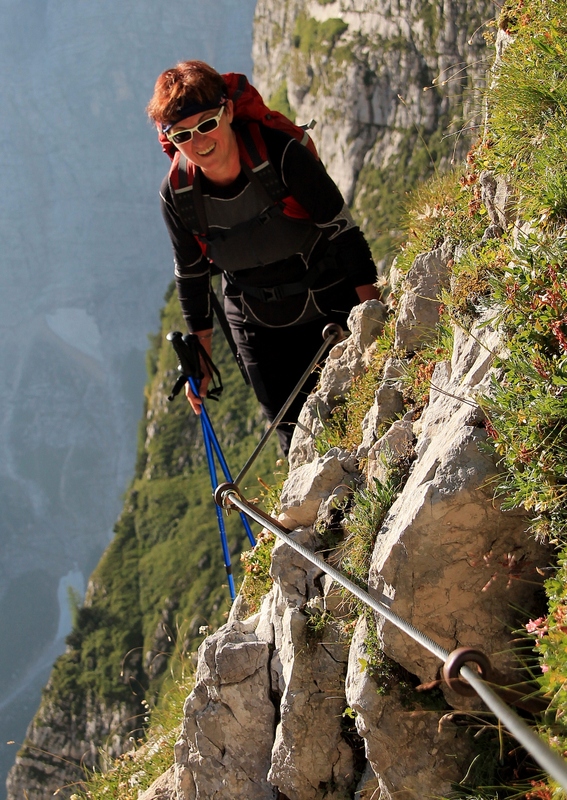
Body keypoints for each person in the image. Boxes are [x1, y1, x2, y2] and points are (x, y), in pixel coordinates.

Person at [147, 60, 380, 455]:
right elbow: (190, 275)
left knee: (361, 407)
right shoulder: (178, 194)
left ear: (229, 111)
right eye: (183, 134)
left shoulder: (281, 155)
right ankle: (322, 512)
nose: (200, 142)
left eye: (207, 124)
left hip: (327, 298)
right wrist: (201, 358)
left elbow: (343, 232)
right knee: (293, 435)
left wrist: (373, 312)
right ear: (169, 138)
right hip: (255, 323)